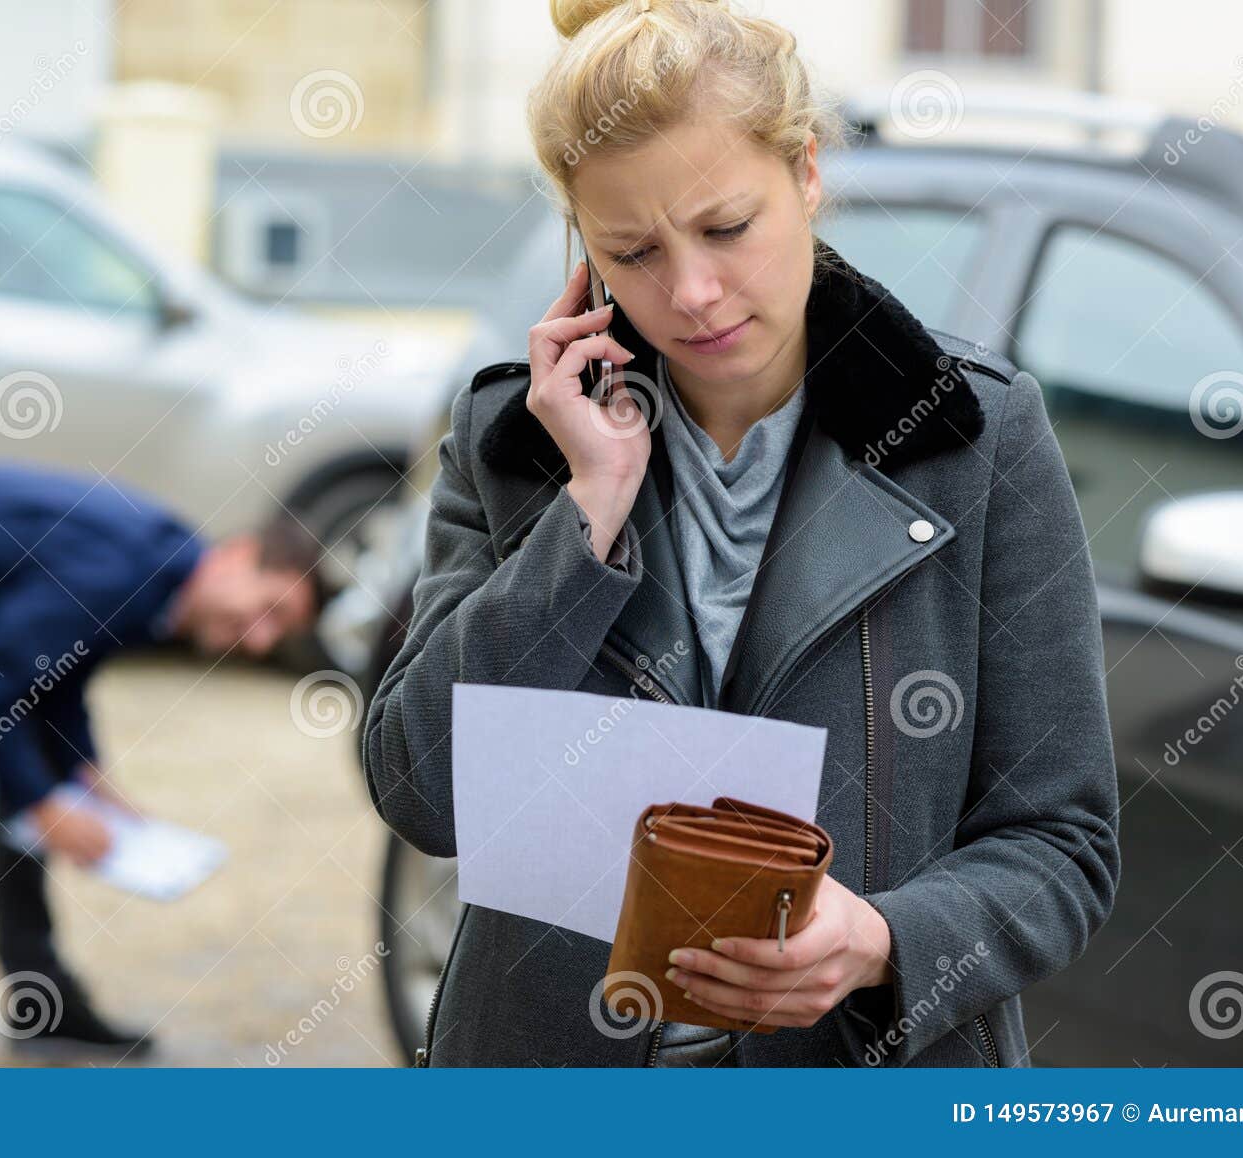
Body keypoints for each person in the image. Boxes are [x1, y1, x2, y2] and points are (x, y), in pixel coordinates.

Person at [362, 0, 1120, 1067]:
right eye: (631, 251)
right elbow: (420, 789)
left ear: (805, 172)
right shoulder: (514, 445)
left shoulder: (976, 437)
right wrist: (584, 516)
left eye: (725, 227)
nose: (692, 292)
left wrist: (883, 939)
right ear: (581, 257)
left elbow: (1062, 843)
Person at [0, 462, 324, 1067]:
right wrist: (45, 803)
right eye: (268, 608)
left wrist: (84, 774)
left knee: (33, 779)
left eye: (278, 632)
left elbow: (50, 675)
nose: (257, 640)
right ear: (238, 555)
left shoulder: (159, 578)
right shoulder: (125, 569)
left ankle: (39, 1007)